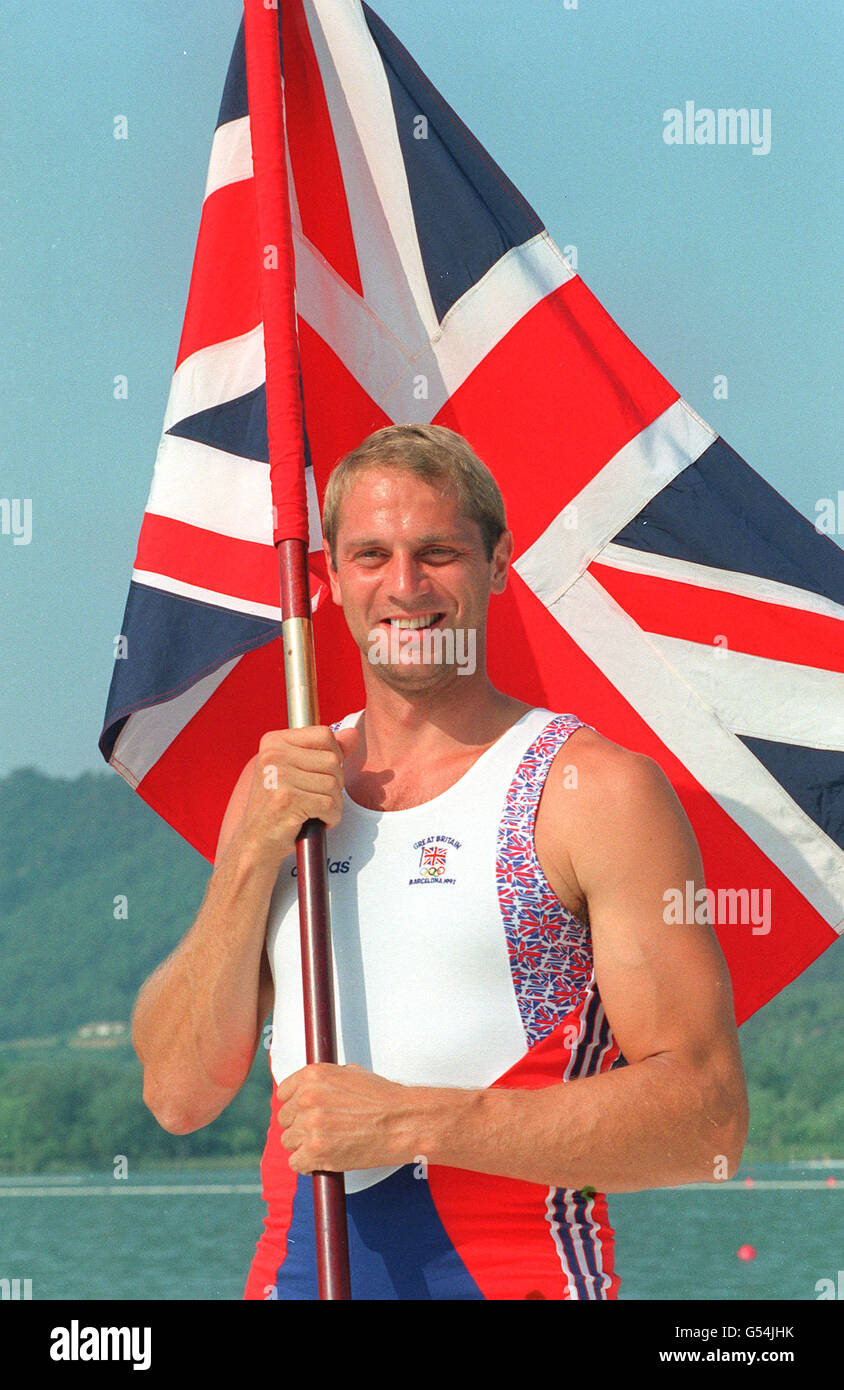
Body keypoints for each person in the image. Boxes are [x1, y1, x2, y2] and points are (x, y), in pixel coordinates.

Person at [132, 423, 748, 1300]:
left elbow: (708, 1122)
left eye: (439, 552)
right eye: (372, 555)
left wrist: (415, 1121)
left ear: (499, 563)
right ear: (329, 579)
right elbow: (176, 1095)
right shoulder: (282, 794)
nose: (406, 587)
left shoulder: (593, 792)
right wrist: (243, 860)